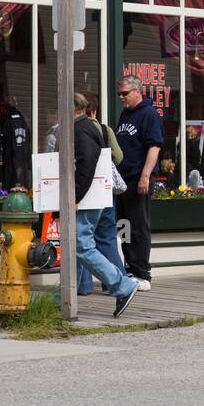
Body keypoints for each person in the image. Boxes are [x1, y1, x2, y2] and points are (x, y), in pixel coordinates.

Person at [71, 93, 139, 317]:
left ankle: (122, 285)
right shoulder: (91, 127)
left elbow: (86, 163)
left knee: (81, 245)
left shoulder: (80, 129)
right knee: (89, 242)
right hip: (98, 194)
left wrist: (76, 195)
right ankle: (60, 297)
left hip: (89, 196)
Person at [115, 75, 163, 290]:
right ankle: (130, 269)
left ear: (137, 91)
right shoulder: (125, 114)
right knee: (124, 227)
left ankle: (143, 274)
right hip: (122, 181)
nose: (121, 97)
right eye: (119, 94)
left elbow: (154, 146)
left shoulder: (149, 114)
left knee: (139, 226)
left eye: (125, 93)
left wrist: (145, 175)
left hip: (137, 179)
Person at [78, 92, 126, 297]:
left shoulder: (78, 128)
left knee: (81, 238)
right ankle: (117, 281)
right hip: (105, 191)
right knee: (106, 237)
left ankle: (83, 285)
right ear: (94, 110)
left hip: (85, 192)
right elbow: (119, 156)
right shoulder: (105, 129)